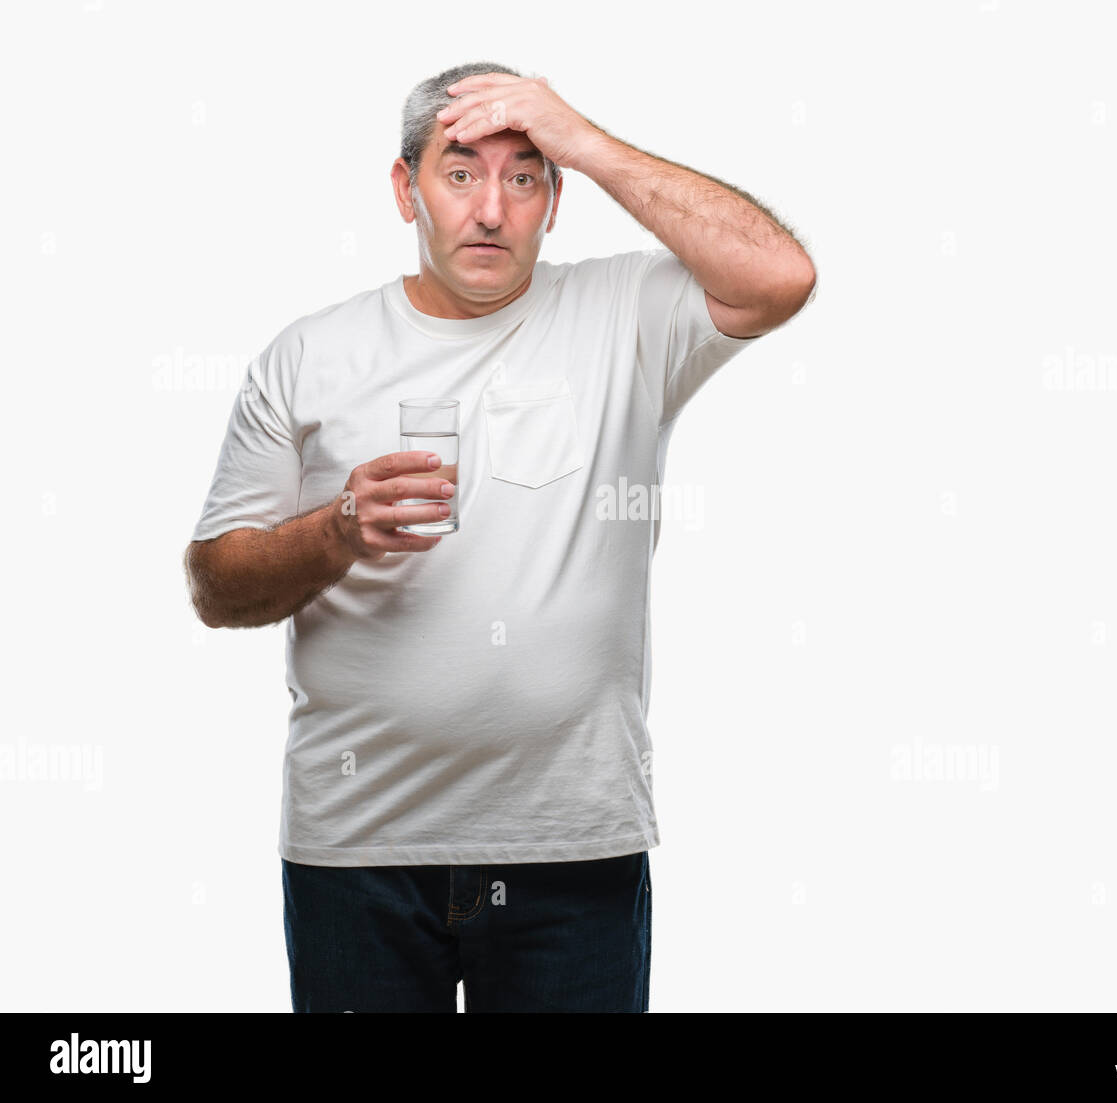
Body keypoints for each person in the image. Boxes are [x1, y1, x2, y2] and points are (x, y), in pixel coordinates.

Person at [183, 60, 817, 1013]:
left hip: (574, 850)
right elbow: (215, 587)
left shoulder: (624, 314)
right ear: (406, 189)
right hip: (359, 854)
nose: (490, 209)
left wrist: (586, 139)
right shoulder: (311, 354)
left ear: (555, 198)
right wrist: (337, 530)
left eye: (524, 175)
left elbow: (781, 275)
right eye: (460, 171)